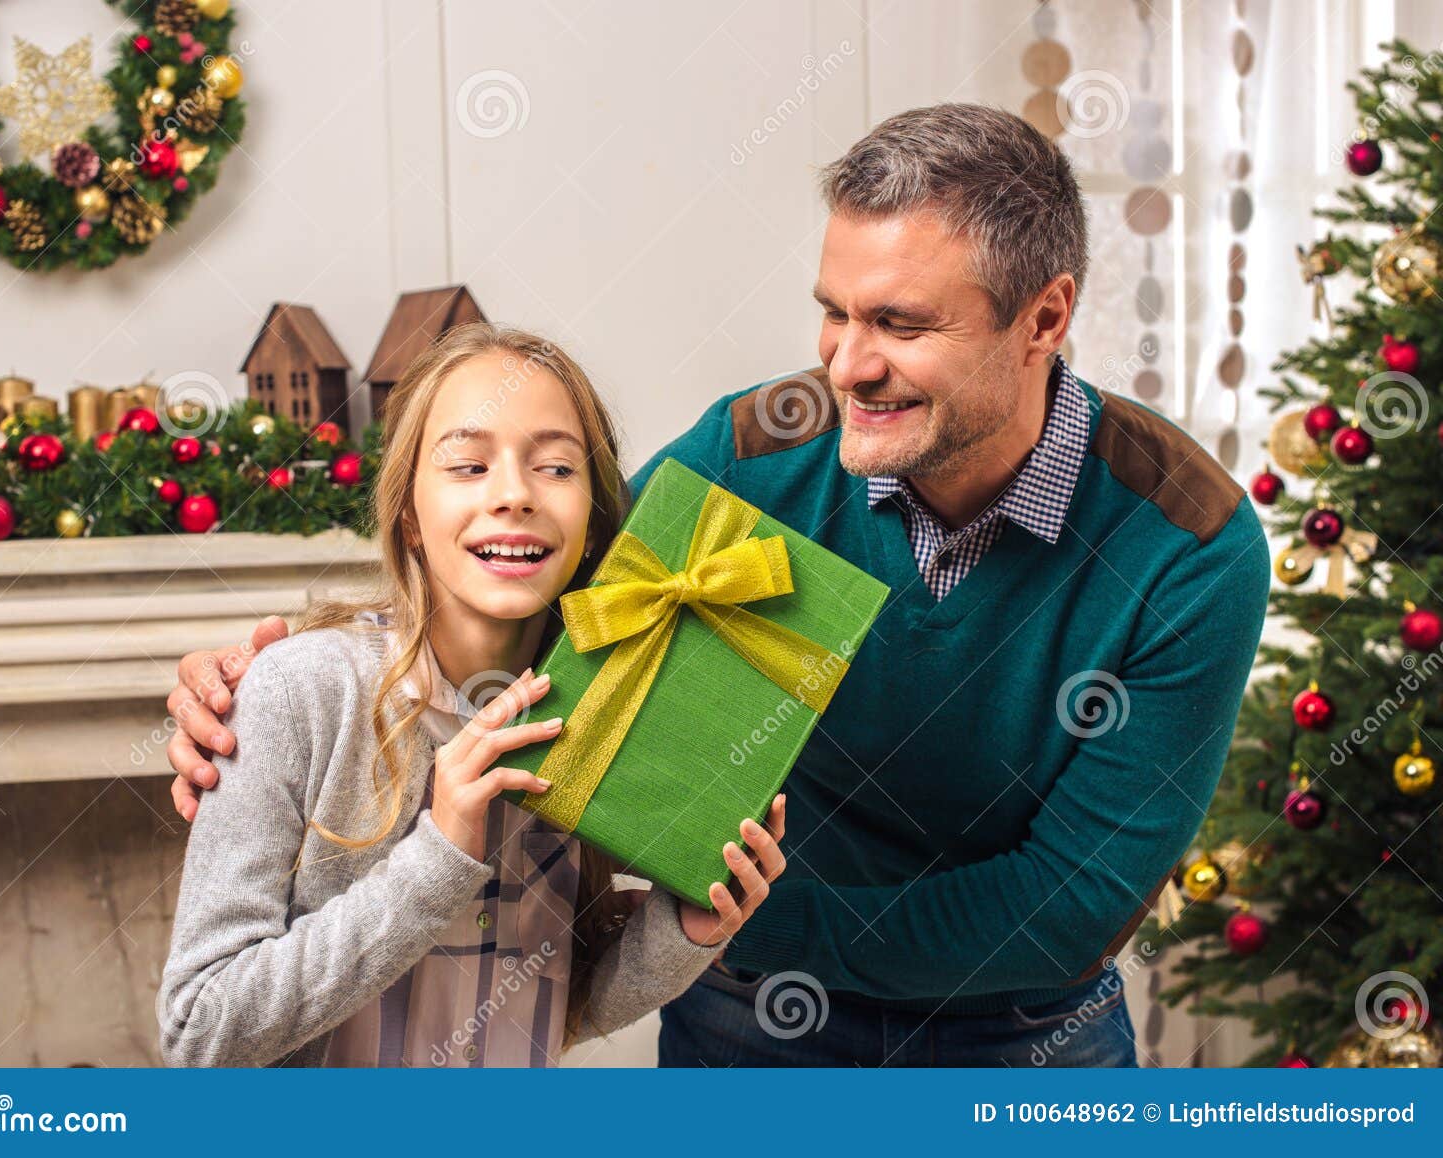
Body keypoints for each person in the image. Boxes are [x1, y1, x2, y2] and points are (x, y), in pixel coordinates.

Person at [163, 104, 1270, 1067]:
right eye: (834, 312)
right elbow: (528, 594)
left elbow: (1062, 909)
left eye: (898, 323)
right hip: (747, 1029)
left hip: (1020, 1038)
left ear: (1042, 318)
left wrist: (738, 924)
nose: (843, 367)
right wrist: (280, 672)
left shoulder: (1188, 543)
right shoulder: (753, 449)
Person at [159, 324, 787, 1067]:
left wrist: (681, 931)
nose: (515, 494)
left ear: (591, 524)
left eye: (556, 467)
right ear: (407, 514)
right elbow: (199, 1033)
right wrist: (441, 852)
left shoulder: (597, 709)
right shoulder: (302, 692)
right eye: (467, 465)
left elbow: (548, 1006)